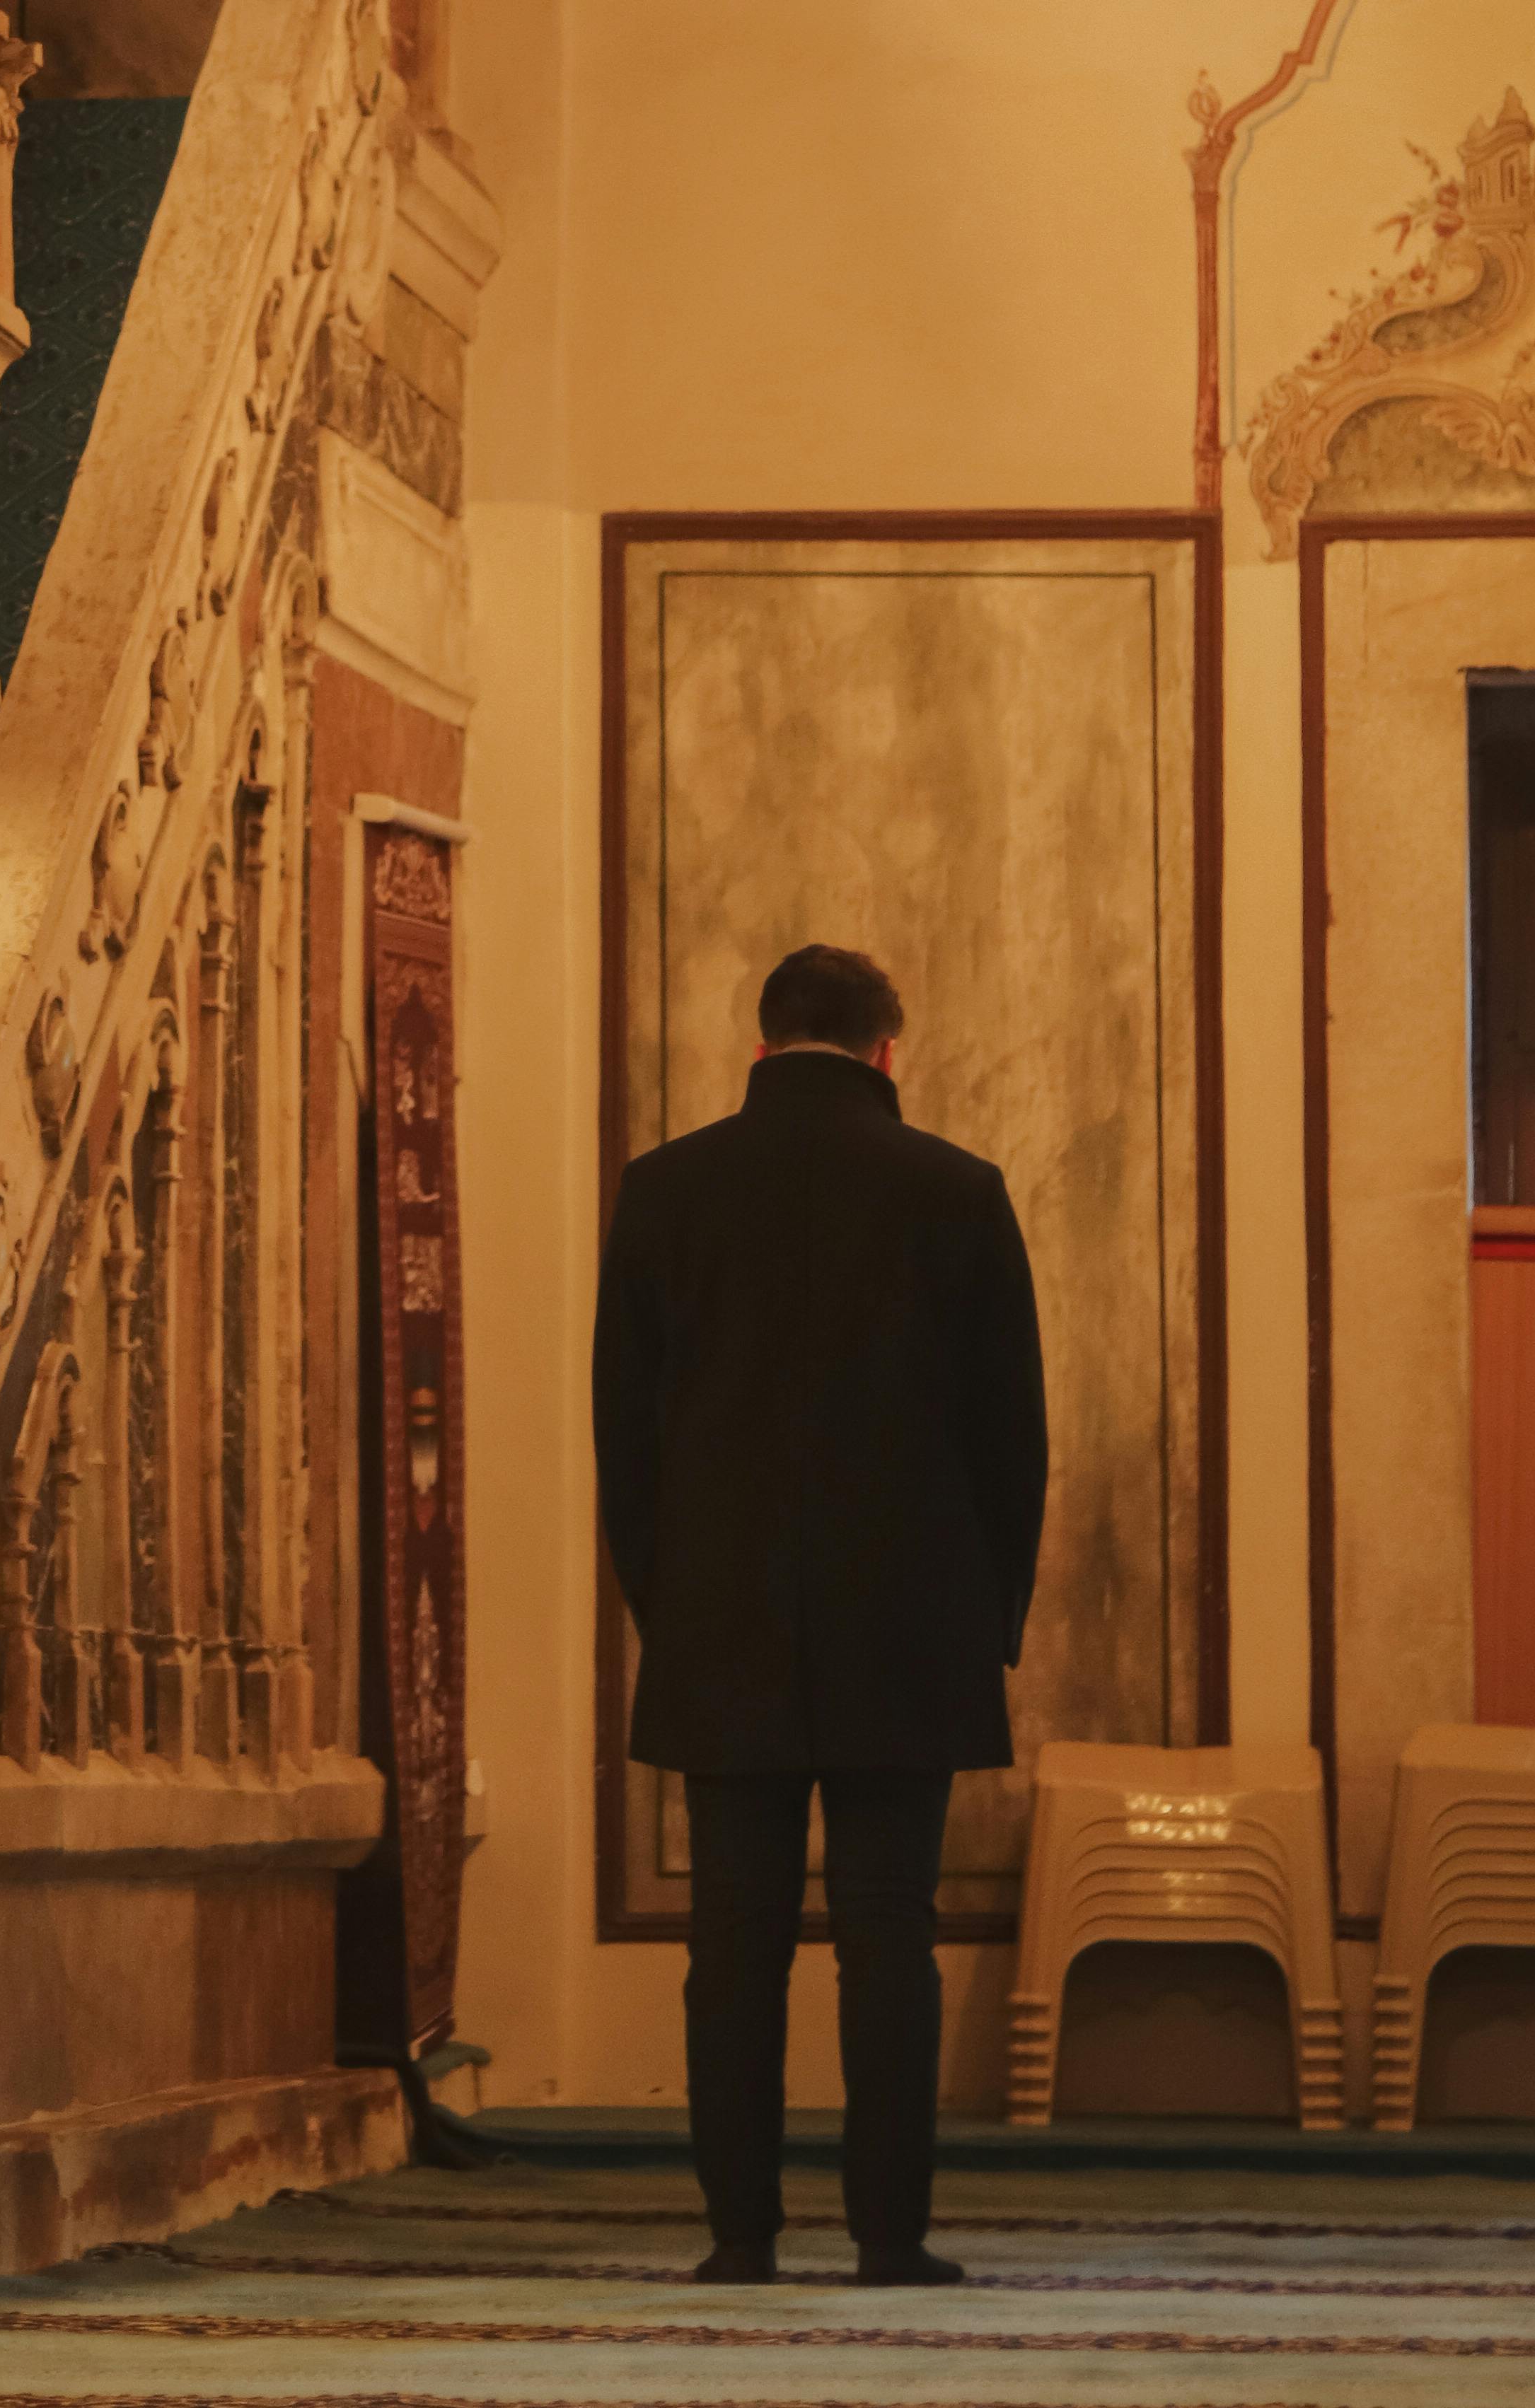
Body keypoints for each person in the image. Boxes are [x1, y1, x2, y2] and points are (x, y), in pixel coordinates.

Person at [592, 942, 1047, 2289]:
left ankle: (739, 2233)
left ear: (761, 1042)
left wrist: (661, 1605)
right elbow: (1009, 1439)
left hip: (718, 1618)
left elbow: (627, 1436)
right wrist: (989, 1619)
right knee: (888, 1935)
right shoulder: (958, 1193)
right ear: (886, 1050)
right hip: (909, 1628)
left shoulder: (665, 1190)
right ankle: (890, 2236)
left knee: (731, 1939)